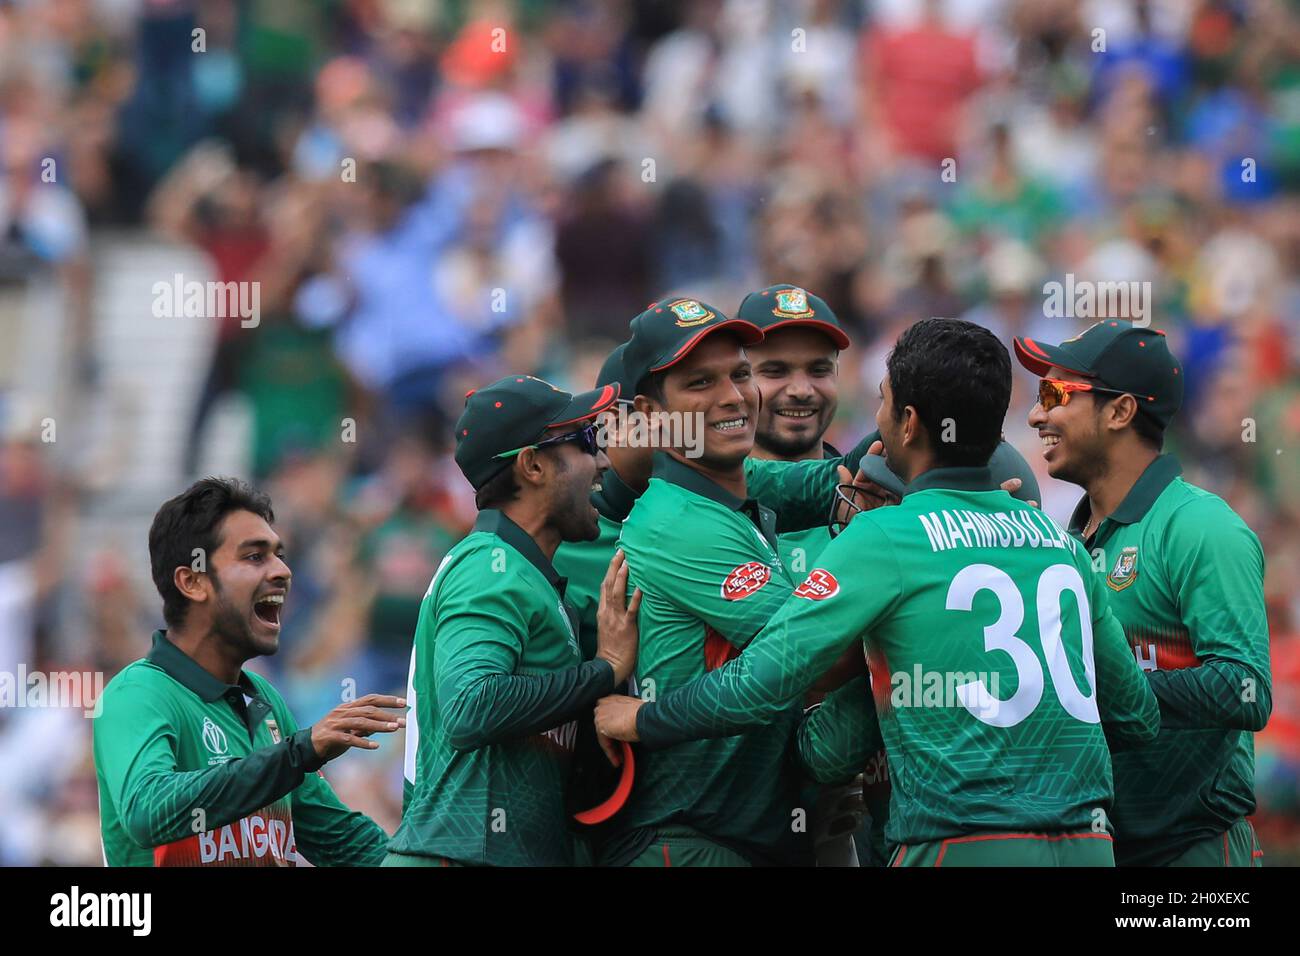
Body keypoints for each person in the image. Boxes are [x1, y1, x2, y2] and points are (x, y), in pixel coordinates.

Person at [597, 317, 1161, 867]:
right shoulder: (1059, 545)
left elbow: (774, 688)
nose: (736, 397)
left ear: (908, 423)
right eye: (703, 382)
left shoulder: (881, 539)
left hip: (955, 843)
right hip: (1090, 845)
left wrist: (641, 719)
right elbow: (1137, 715)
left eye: (884, 401)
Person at [598, 297, 874, 867]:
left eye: (742, 373)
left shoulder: (727, 484)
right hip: (688, 841)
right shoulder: (680, 523)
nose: (733, 396)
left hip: (739, 837)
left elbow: (832, 478)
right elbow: (814, 659)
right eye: (701, 382)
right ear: (651, 413)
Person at [1014, 320, 1271, 866]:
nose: (1037, 415)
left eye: (1056, 394)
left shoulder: (1201, 527)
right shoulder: (1064, 542)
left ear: (1120, 411)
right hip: (1094, 847)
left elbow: (1247, 687)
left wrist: (1116, 693)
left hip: (1189, 854)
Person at [384, 375, 641, 866]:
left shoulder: (522, 571)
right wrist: (604, 669)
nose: (604, 461)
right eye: (587, 442)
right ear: (533, 465)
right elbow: (471, 707)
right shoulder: (489, 566)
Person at [94, 478, 405, 866]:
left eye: (280, 554)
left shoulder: (264, 701)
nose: (282, 571)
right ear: (192, 581)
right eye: (255, 557)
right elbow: (148, 811)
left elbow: (344, 842)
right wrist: (299, 752)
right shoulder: (137, 694)